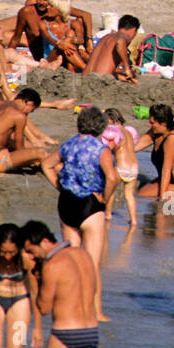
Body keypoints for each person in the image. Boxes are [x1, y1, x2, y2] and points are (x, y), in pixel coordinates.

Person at [41, 106, 117, 323]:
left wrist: (59, 185)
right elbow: (112, 177)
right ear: (101, 127)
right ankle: (95, 312)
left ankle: (69, 308)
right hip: (90, 205)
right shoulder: (102, 150)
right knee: (91, 264)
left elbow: (46, 164)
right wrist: (104, 197)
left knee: (72, 262)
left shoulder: (68, 144)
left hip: (66, 202)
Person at [21, 221, 99, 348]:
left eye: (31, 251)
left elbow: (44, 308)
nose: (32, 256)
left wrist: (35, 278)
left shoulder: (52, 265)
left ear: (44, 241)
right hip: (91, 332)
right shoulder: (84, 255)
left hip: (66, 333)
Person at [82, 14, 140, 83]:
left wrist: (123, 78)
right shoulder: (124, 37)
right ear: (134, 30)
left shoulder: (105, 37)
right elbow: (120, 42)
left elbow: (100, 66)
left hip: (84, 79)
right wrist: (127, 69)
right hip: (99, 82)